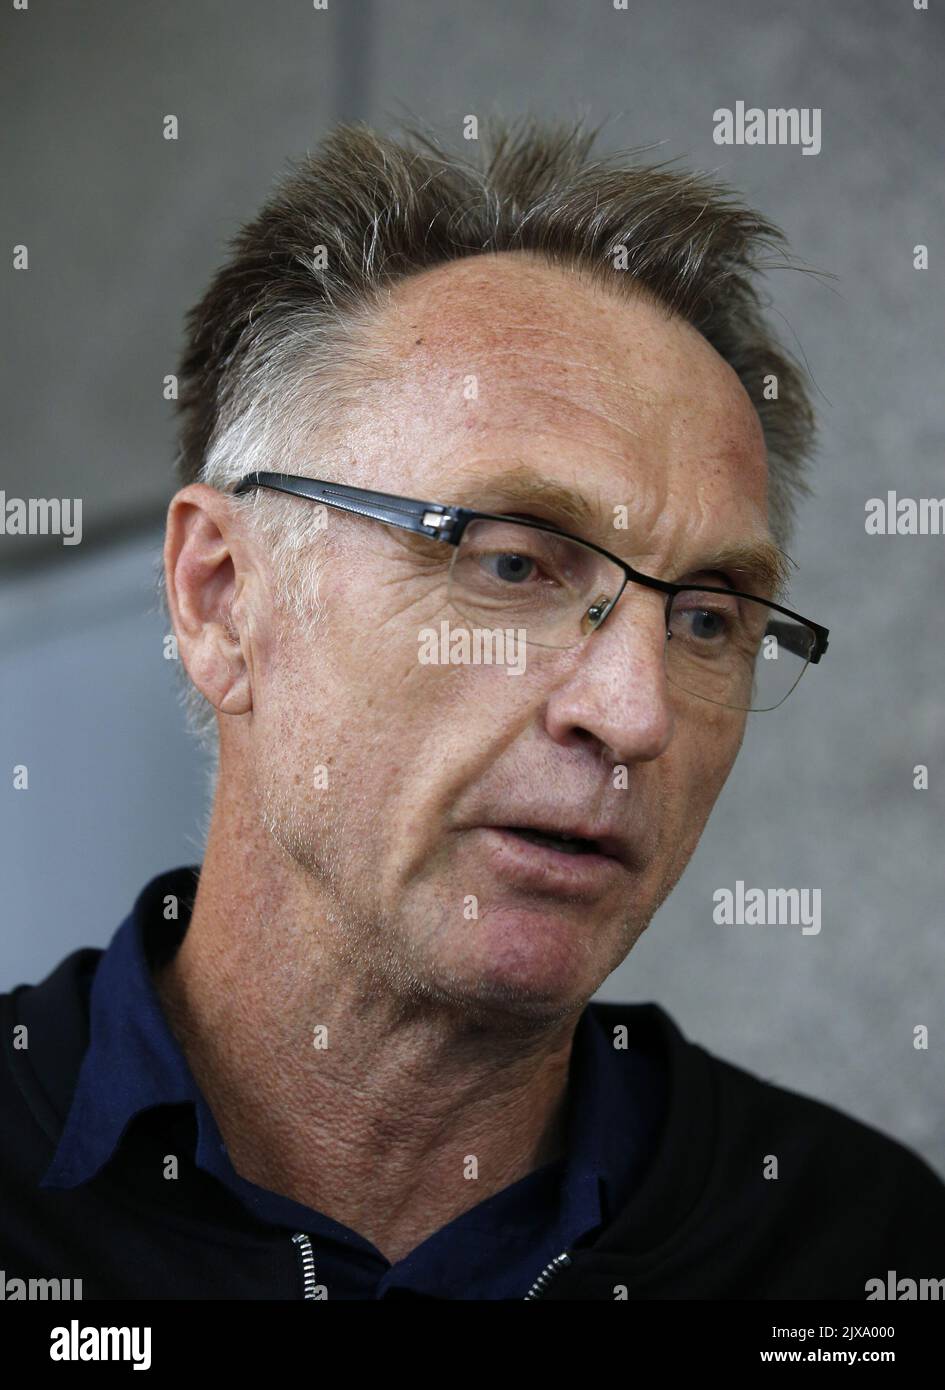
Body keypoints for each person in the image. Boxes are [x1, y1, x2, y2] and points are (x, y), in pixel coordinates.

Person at [2, 119, 942, 1301]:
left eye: (706, 617)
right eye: (510, 562)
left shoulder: (856, 1259)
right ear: (223, 598)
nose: (634, 711)